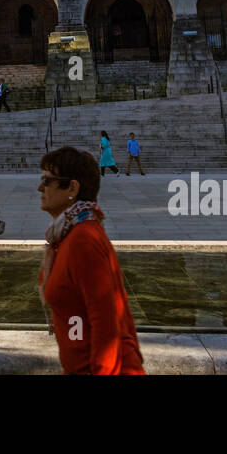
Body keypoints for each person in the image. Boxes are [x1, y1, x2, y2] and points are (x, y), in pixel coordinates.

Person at [37, 146, 145, 375]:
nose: (40, 187)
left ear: (72, 188)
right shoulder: (63, 238)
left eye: (47, 181)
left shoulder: (83, 240)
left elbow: (107, 327)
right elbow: (79, 316)